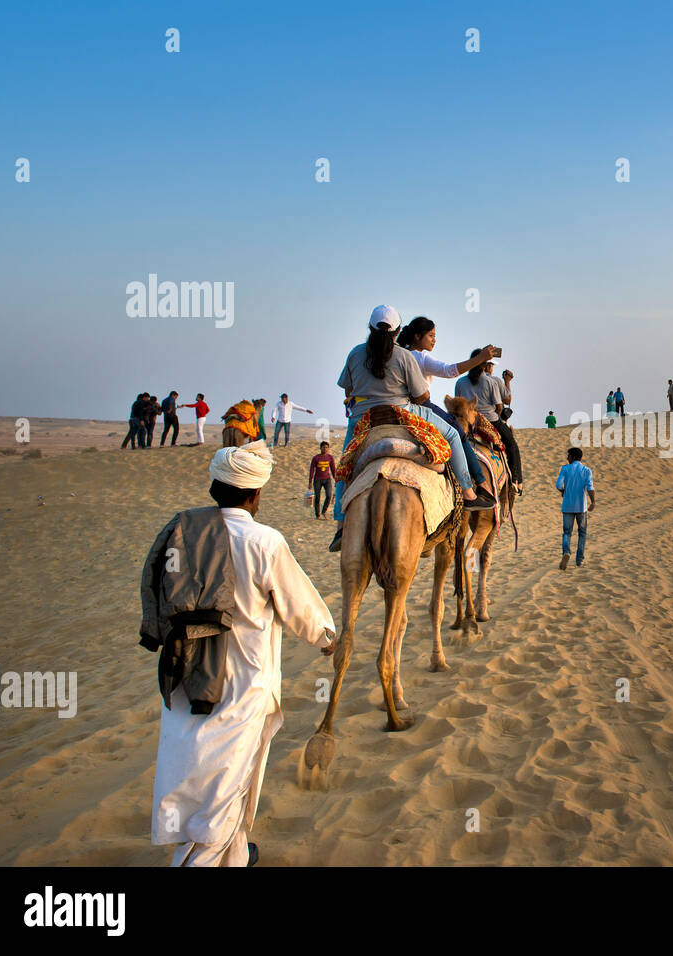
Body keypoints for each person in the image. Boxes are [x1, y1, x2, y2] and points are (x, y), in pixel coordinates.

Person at [143, 440, 335, 867]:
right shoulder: (263, 541)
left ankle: (233, 856)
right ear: (255, 494)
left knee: (197, 777)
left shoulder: (182, 533)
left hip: (185, 679)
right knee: (225, 788)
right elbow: (299, 604)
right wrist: (326, 638)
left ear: (215, 489)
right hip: (244, 683)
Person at [330, 306, 493, 553]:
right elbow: (421, 395)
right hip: (401, 414)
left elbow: (348, 390)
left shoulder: (355, 354)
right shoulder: (404, 356)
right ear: (397, 331)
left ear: (370, 328)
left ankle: (341, 525)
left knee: (346, 463)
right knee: (452, 434)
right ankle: (470, 494)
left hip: (363, 419)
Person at [396, 316, 497, 498]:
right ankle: (479, 484)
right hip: (420, 405)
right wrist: (480, 358)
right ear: (418, 336)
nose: (434, 340)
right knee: (457, 432)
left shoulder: (400, 354)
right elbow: (450, 371)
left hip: (397, 406)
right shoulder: (420, 357)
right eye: (431, 336)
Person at [455, 350, 524, 494]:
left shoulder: (460, 382)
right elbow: (500, 406)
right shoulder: (491, 382)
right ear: (485, 365)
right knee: (511, 444)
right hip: (490, 420)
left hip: (468, 422)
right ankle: (516, 480)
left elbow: (458, 405)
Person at [556, 446, 595, 569]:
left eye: (568, 456)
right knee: (582, 533)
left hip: (567, 506)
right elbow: (590, 487)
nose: (567, 458)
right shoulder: (586, 470)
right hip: (581, 507)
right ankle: (579, 560)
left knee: (567, 532)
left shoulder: (565, 469)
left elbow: (558, 484)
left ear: (572, 457)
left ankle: (566, 552)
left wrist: (563, 491)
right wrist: (593, 501)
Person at [308, 440, 336, 518]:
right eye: (323, 447)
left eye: (327, 447)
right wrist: (310, 482)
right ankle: (317, 515)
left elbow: (333, 469)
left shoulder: (330, 457)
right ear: (320, 448)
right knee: (317, 497)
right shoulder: (316, 458)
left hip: (327, 479)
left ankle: (324, 511)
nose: (325, 449)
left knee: (329, 495)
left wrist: (336, 480)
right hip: (317, 479)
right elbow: (312, 470)